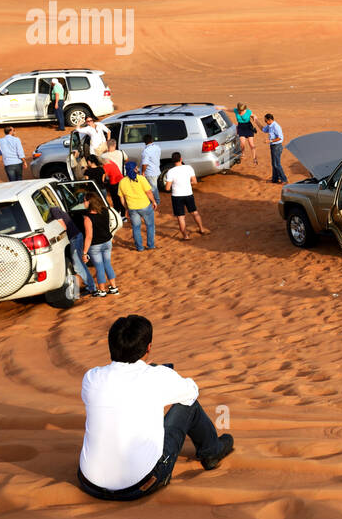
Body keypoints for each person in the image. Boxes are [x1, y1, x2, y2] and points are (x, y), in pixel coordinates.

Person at [77, 314, 235, 501]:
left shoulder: (91, 377)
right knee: (188, 406)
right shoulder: (157, 377)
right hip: (139, 485)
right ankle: (212, 451)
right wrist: (162, 373)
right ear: (148, 348)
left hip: (88, 483)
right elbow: (192, 391)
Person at [164, 152, 209, 239]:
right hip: (188, 194)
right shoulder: (188, 168)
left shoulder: (171, 172)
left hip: (177, 196)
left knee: (181, 217)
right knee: (194, 212)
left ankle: (185, 236)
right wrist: (188, 183)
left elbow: (167, 188)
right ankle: (202, 229)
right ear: (181, 159)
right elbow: (195, 182)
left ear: (173, 161)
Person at [81, 196, 118, 297]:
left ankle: (102, 290)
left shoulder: (88, 218)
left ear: (90, 202)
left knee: (99, 267)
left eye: (85, 200)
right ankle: (114, 287)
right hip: (107, 242)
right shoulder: (105, 211)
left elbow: (89, 236)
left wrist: (84, 252)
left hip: (95, 246)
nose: (83, 202)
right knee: (107, 264)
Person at [119, 161, 158, 251]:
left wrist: (126, 208)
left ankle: (139, 247)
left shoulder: (122, 182)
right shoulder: (141, 178)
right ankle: (150, 245)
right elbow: (148, 192)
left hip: (132, 208)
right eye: (136, 167)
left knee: (136, 228)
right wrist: (154, 202)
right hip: (145, 206)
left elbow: (121, 198)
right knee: (150, 226)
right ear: (135, 169)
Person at [262, 113, 287, 184]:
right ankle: (275, 179)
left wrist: (270, 141)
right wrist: (255, 120)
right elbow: (263, 130)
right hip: (273, 146)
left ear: (270, 120)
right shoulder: (269, 125)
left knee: (277, 164)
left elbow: (280, 138)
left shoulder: (276, 126)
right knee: (274, 164)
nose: (265, 122)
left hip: (277, 146)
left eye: (266, 121)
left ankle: (284, 179)